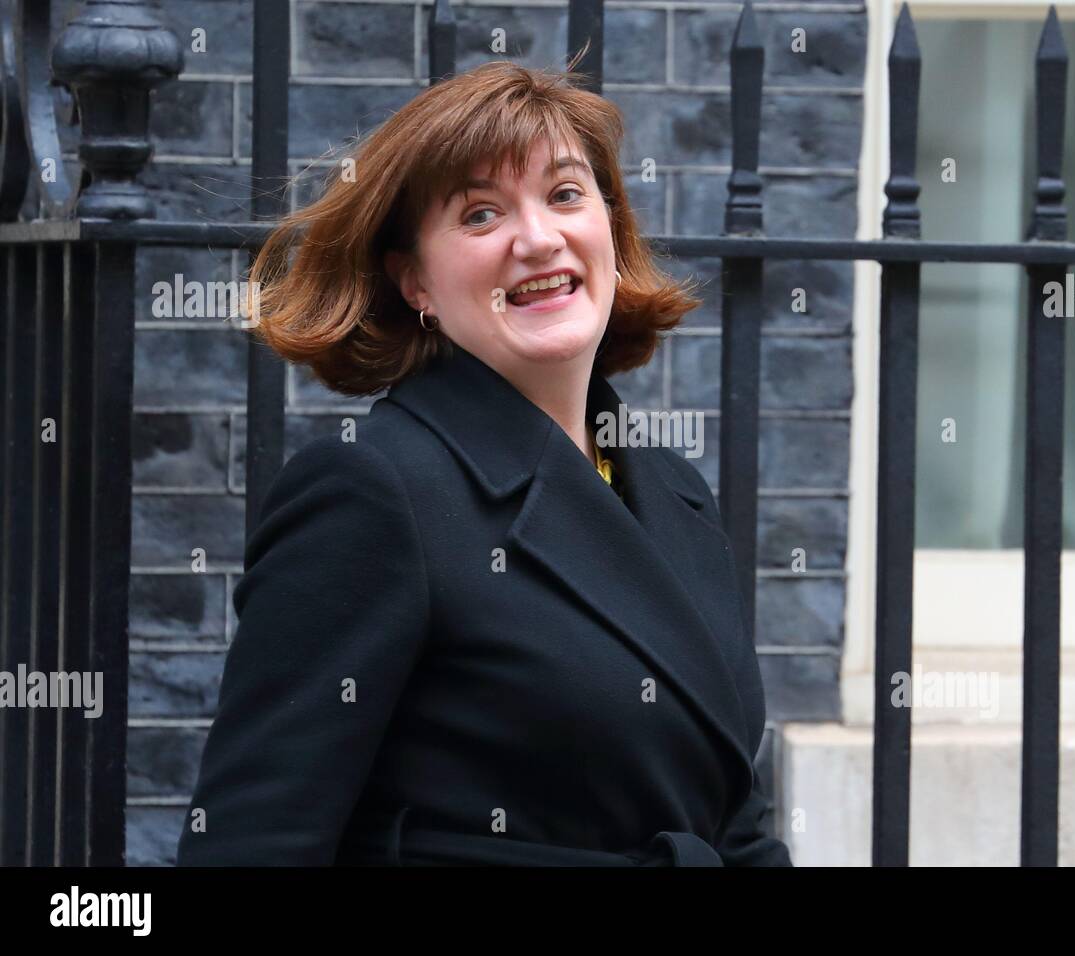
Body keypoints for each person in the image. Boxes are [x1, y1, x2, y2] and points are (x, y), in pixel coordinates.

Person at [174, 54, 792, 867]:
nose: (538, 239)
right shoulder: (373, 491)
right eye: (479, 215)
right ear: (416, 284)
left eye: (566, 194)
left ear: (610, 227)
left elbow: (736, 821)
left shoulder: (672, 489)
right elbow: (254, 842)